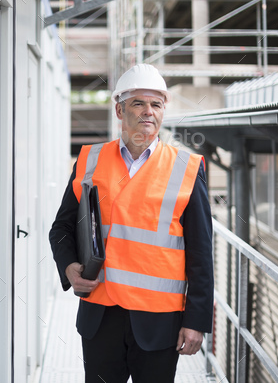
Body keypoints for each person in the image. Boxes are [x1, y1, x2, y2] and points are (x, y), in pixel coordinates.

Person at [49, 64, 214, 383]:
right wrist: (69, 266)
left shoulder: (187, 168)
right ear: (119, 110)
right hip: (100, 316)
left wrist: (196, 321)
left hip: (159, 322)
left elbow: (201, 255)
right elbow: (62, 228)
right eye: (138, 103)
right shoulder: (90, 160)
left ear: (164, 110)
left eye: (156, 104)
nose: (148, 112)